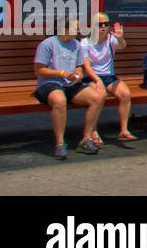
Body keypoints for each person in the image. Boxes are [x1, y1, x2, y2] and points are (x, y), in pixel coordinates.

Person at [34, 17, 106, 158]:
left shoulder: (76, 44)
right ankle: (60, 143)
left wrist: (78, 73)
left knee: (97, 97)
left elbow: (79, 66)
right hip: (49, 83)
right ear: (65, 29)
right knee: (60, 101)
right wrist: (62, 73)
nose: (79, 30)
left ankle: (86, 139)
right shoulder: (47, 44)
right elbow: (38, 70)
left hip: (70, 84)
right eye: (76, 28)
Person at [79, 12, 137, 143]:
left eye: (106, 24)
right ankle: (93, 131)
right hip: (92, 77)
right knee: (99, 97)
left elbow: (122, 46)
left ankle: (124, 130)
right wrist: (97, 80)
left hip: (109, 76)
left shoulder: (111, 39)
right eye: (100, 25)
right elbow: (86, 66)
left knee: (125, 94)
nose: (104, 27)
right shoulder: (85, 42)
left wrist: (121, 38)